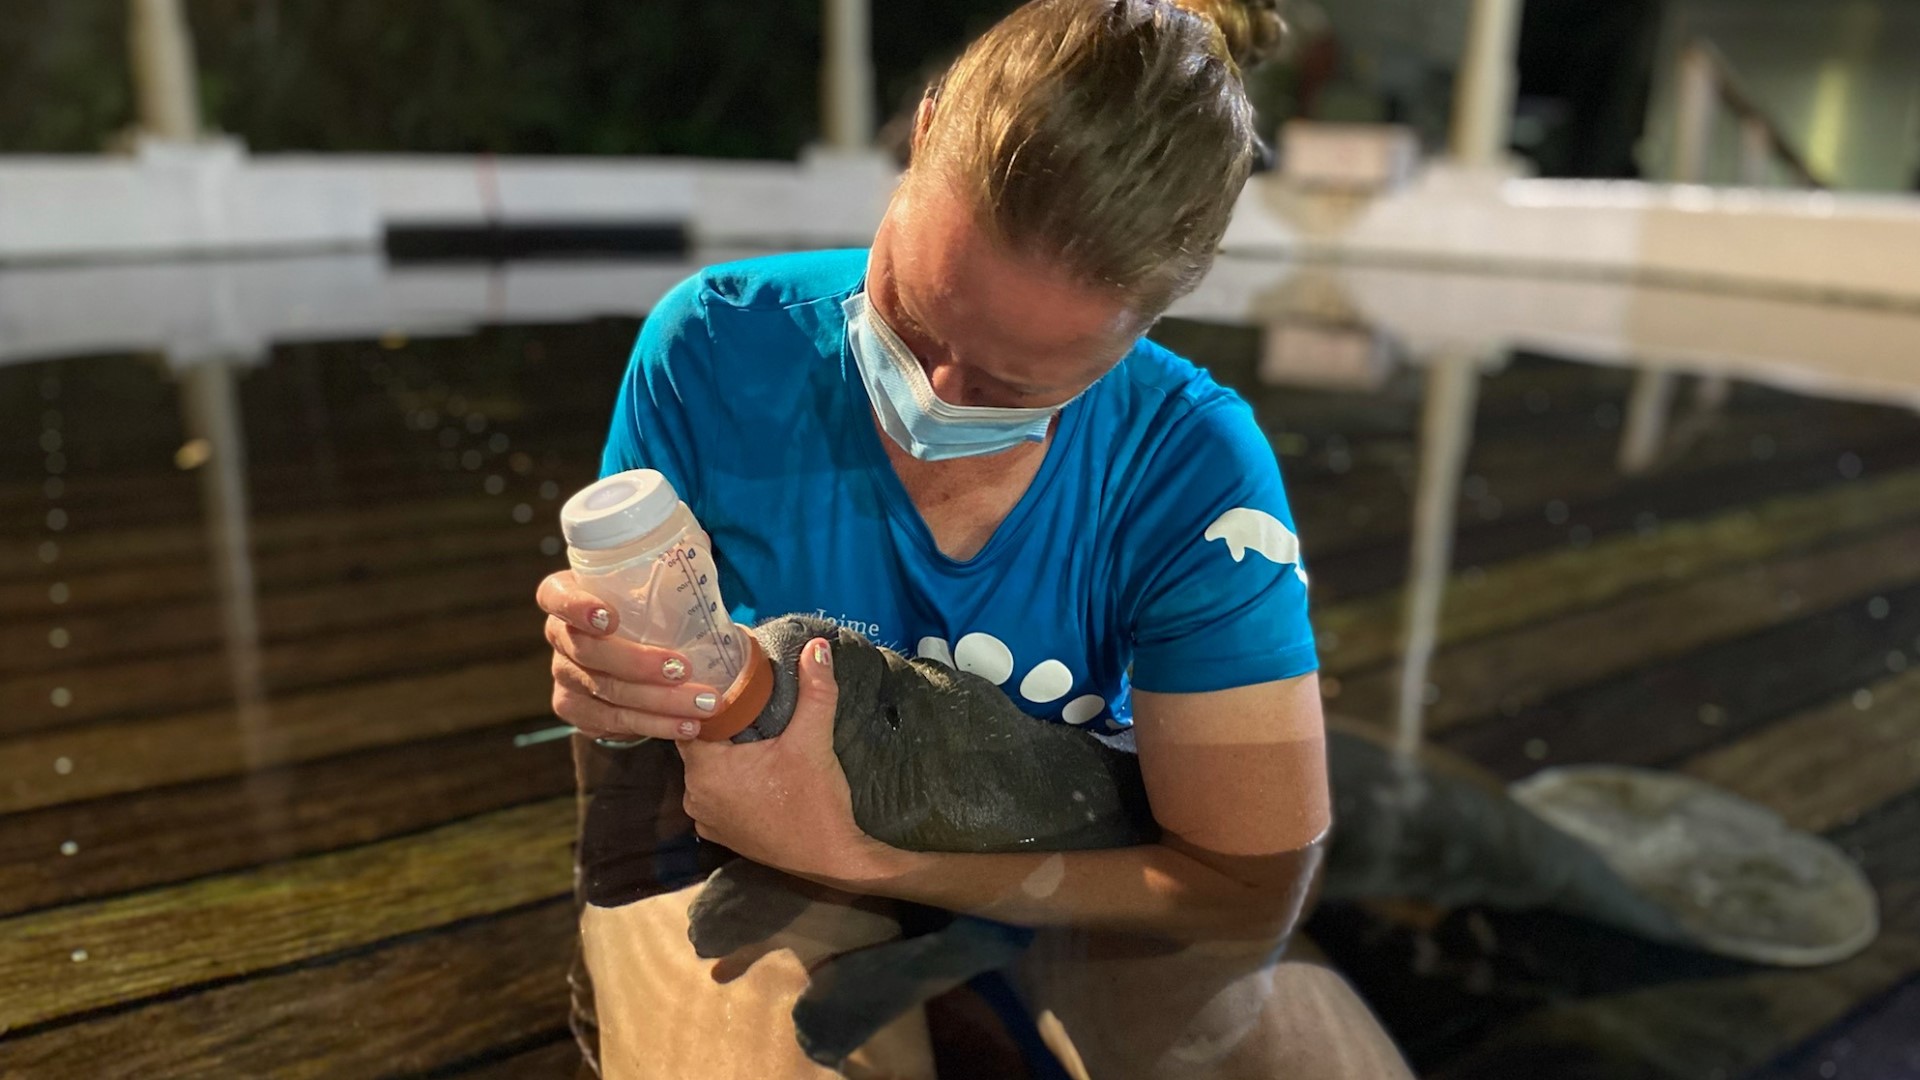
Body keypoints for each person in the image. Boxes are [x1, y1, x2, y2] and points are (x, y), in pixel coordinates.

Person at [537, 1, 1414, 1075]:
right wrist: (618, 684)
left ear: (1153, 318)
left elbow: (1245, 885)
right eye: (912, 314)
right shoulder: (716, 344)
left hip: (1082, 861)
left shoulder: (1199, 477)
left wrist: (873, 859)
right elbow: (636, 732)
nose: (939, 396)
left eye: (1013, 386)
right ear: (923, 126)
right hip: (759, 849)